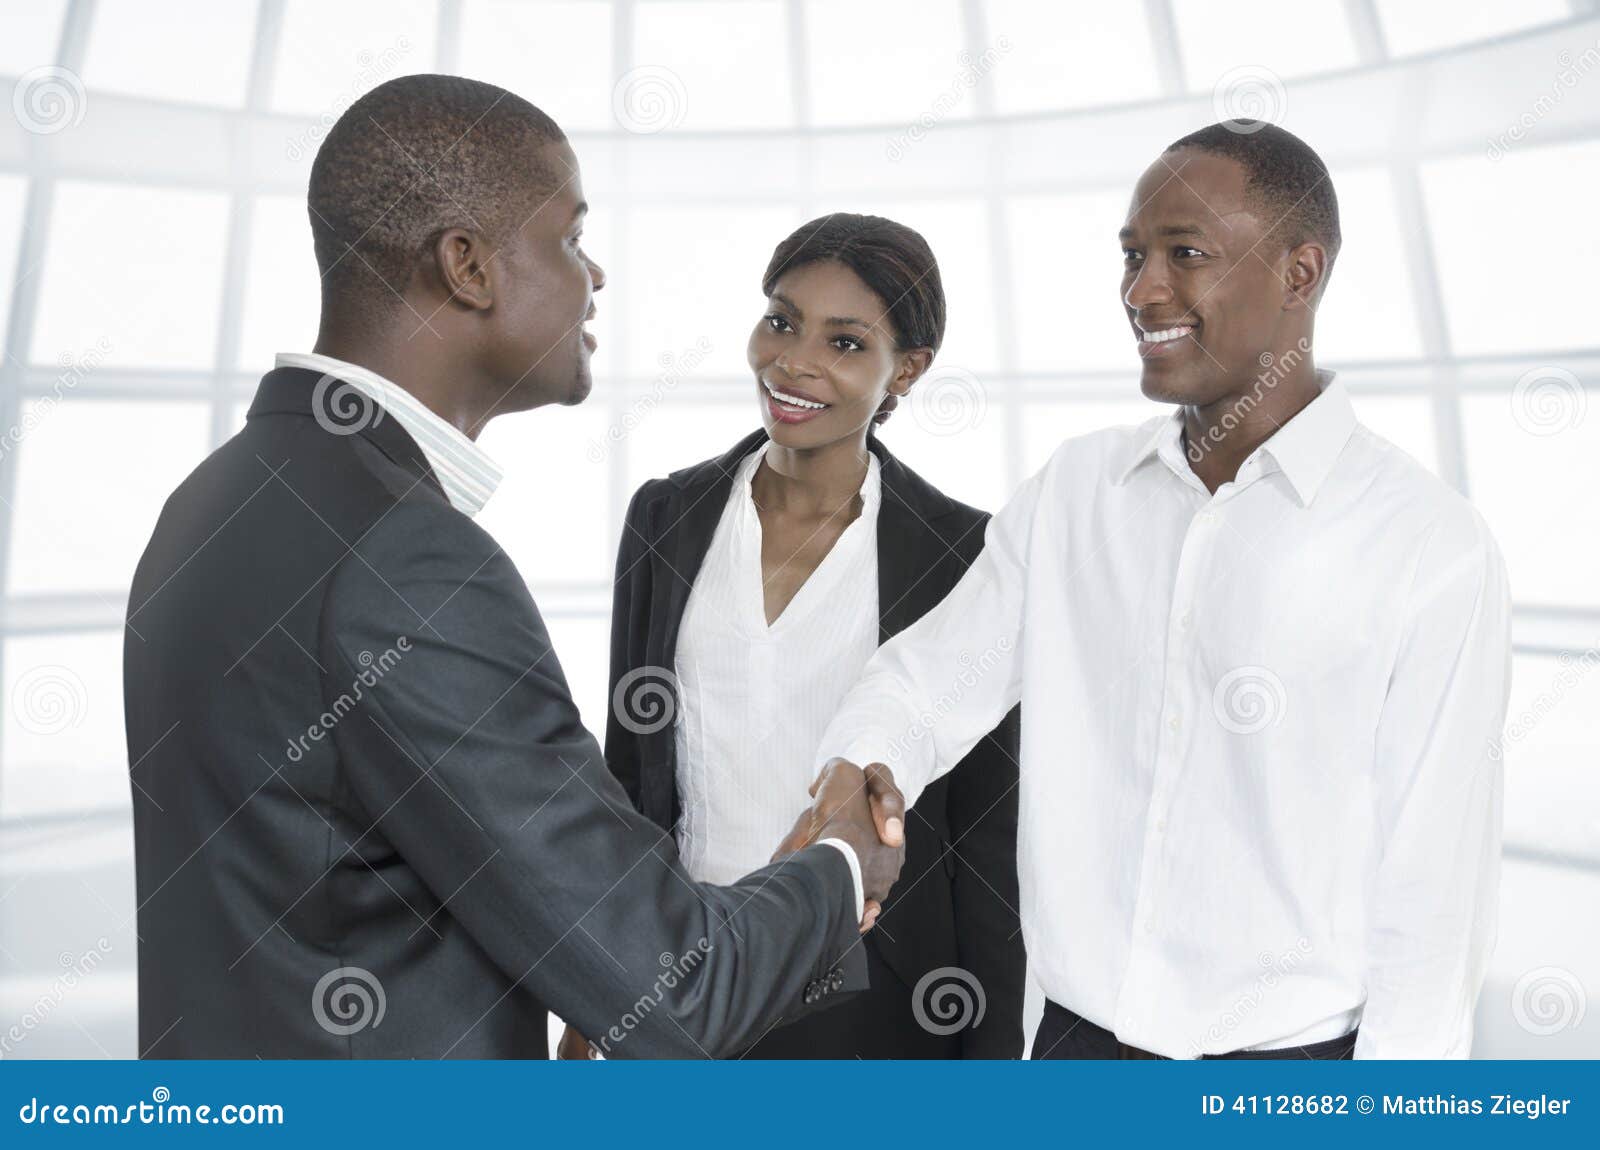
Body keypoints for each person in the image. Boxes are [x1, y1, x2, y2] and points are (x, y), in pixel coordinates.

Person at [122, 75, 904, 1060]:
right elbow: (676, 988)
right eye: (571, 238)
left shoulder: (211, 501)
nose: (595, 277)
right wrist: (842, 865)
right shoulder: (406, 560)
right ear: (469, 267)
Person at [800, 121, 1512, 1059]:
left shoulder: (1430, 546)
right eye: (1133, 257)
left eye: (1186, 254)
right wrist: (863, 776)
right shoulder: (1076, 491)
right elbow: (927, 683)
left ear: (1301, 275)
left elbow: (1434, 901)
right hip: (1071, 1053)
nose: (1142, 291)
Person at [560, 215, 1024, 1060]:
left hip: (879, 992)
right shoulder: (666, 516)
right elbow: (630, 773)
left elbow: (988, 839)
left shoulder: (964, 553)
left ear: (906, 373)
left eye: (845, 343)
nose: (795, 362)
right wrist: (597, 978)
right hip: (687, 970)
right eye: (781, 321)